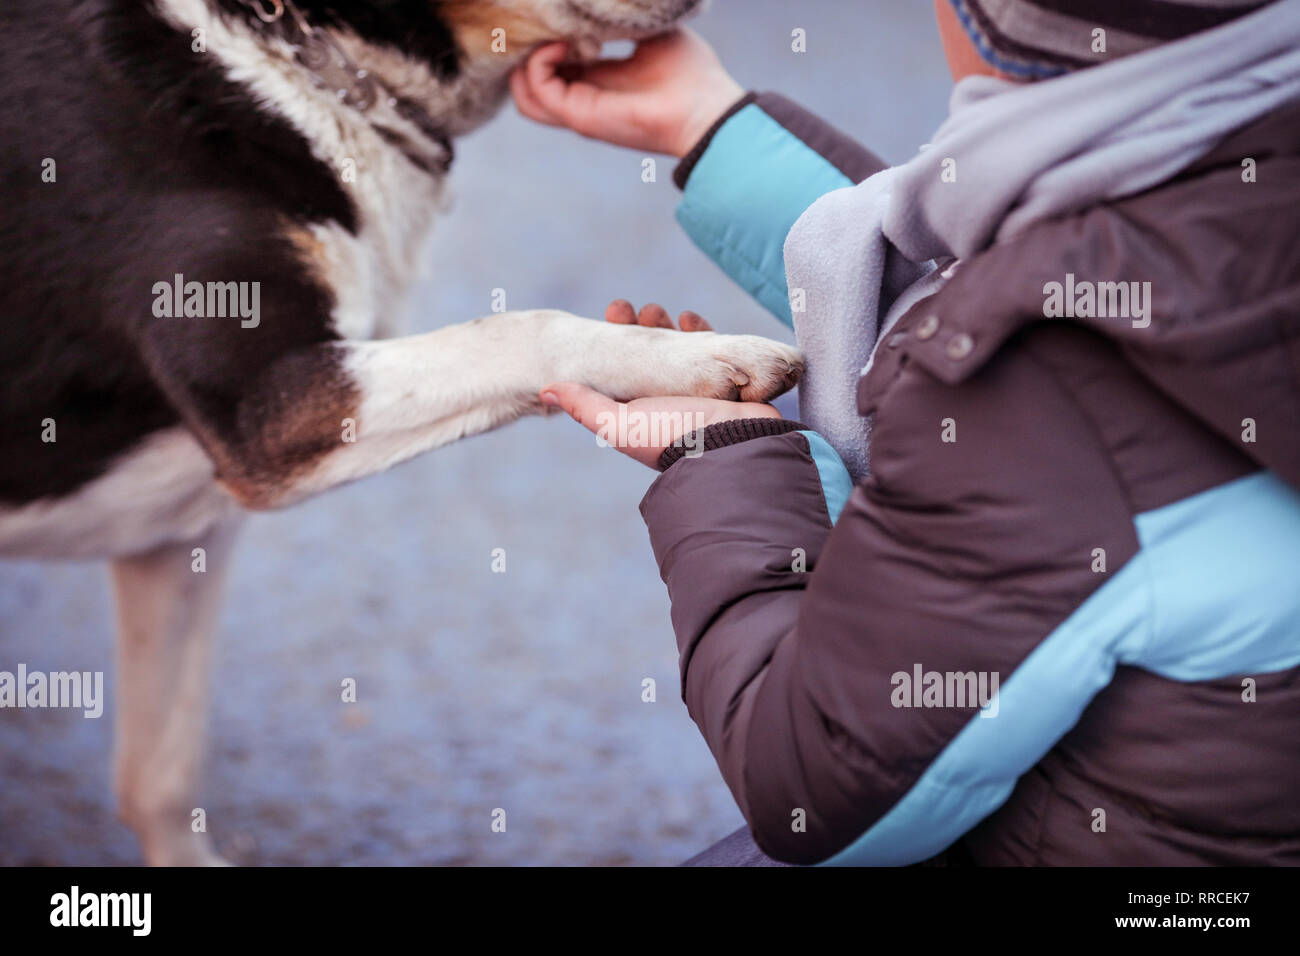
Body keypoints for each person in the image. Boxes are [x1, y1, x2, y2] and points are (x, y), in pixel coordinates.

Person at [514, 0, 1300, 865]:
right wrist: (708, 125)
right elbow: (987, 285)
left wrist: (731, 462)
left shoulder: (1049, 404)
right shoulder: (1247, 170)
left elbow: (816, 787)